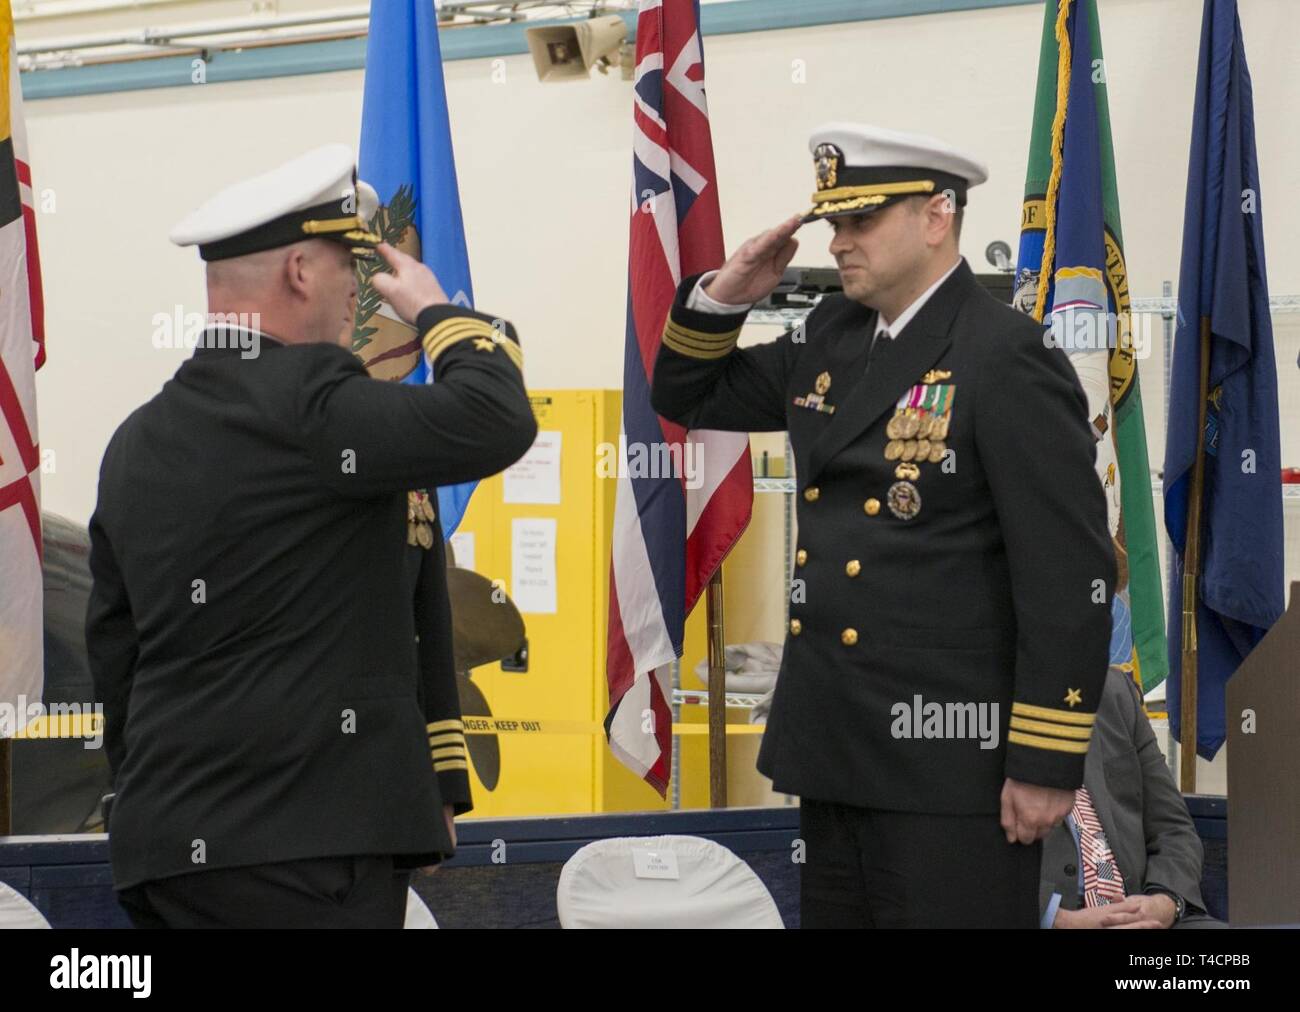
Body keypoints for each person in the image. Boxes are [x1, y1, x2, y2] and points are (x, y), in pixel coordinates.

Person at [650, 123, 1116, 928]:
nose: (838, 243)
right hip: (836, 749)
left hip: (950, 766)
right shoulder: (832, 336)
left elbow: (1069, 574)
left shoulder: (1003, 353)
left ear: (937, 217)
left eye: (860, 221)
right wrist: (727, 294)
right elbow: (690, 396)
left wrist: (1046, 759)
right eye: (833, 223)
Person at [86, 144, 536, 928]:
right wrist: (439, 312)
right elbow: (497, 418)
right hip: (307, 853)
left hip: (168, 852)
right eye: (349, 272)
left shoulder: (136, 441)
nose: (358, 297)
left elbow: (116, 652)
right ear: (300, 272)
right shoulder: (315, 406)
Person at [1041, 669, 1225, 929]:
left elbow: (1173, 828)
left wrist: (1164, 902)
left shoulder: (1112, 690)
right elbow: (966, 857)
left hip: (1148, 915)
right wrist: (1057, 920)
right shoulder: (973, 708)